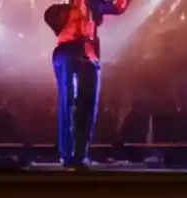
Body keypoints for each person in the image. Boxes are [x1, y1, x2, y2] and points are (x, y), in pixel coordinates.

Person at [45, 0, 131, 169]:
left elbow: (117, 7)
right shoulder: (70, 7)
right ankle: (69, 155)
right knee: (70, 104)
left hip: (87, 56)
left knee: (86, 106)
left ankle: (78, 156)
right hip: (70, 52)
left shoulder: (93, 4)